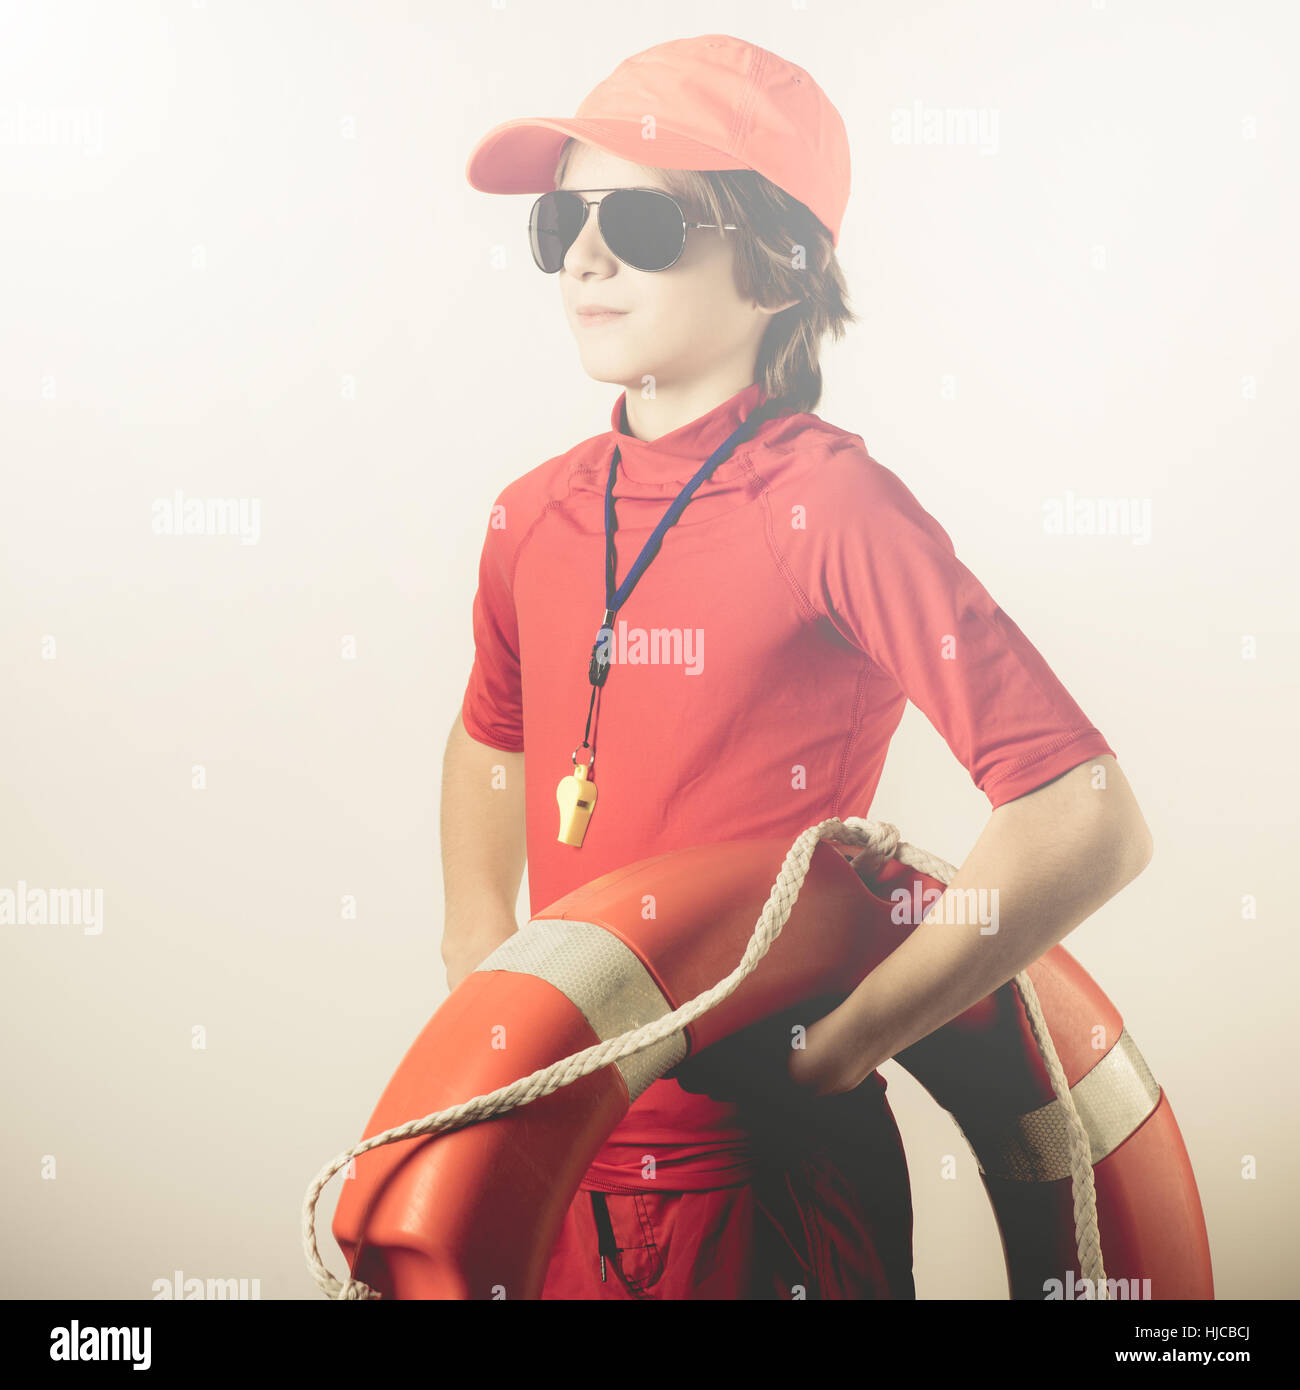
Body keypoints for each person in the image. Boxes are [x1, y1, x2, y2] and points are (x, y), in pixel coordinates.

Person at [442, 34, 1150, 1300]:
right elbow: (492, 737)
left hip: (767, 1185)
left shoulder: (829, 506)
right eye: (564, 220)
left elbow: (1083, 814)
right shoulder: (530, 513)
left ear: (774, 264)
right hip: (562, 1152)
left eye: (643, 222)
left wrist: (848, 1044)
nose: (588, 256)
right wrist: (480, 959)